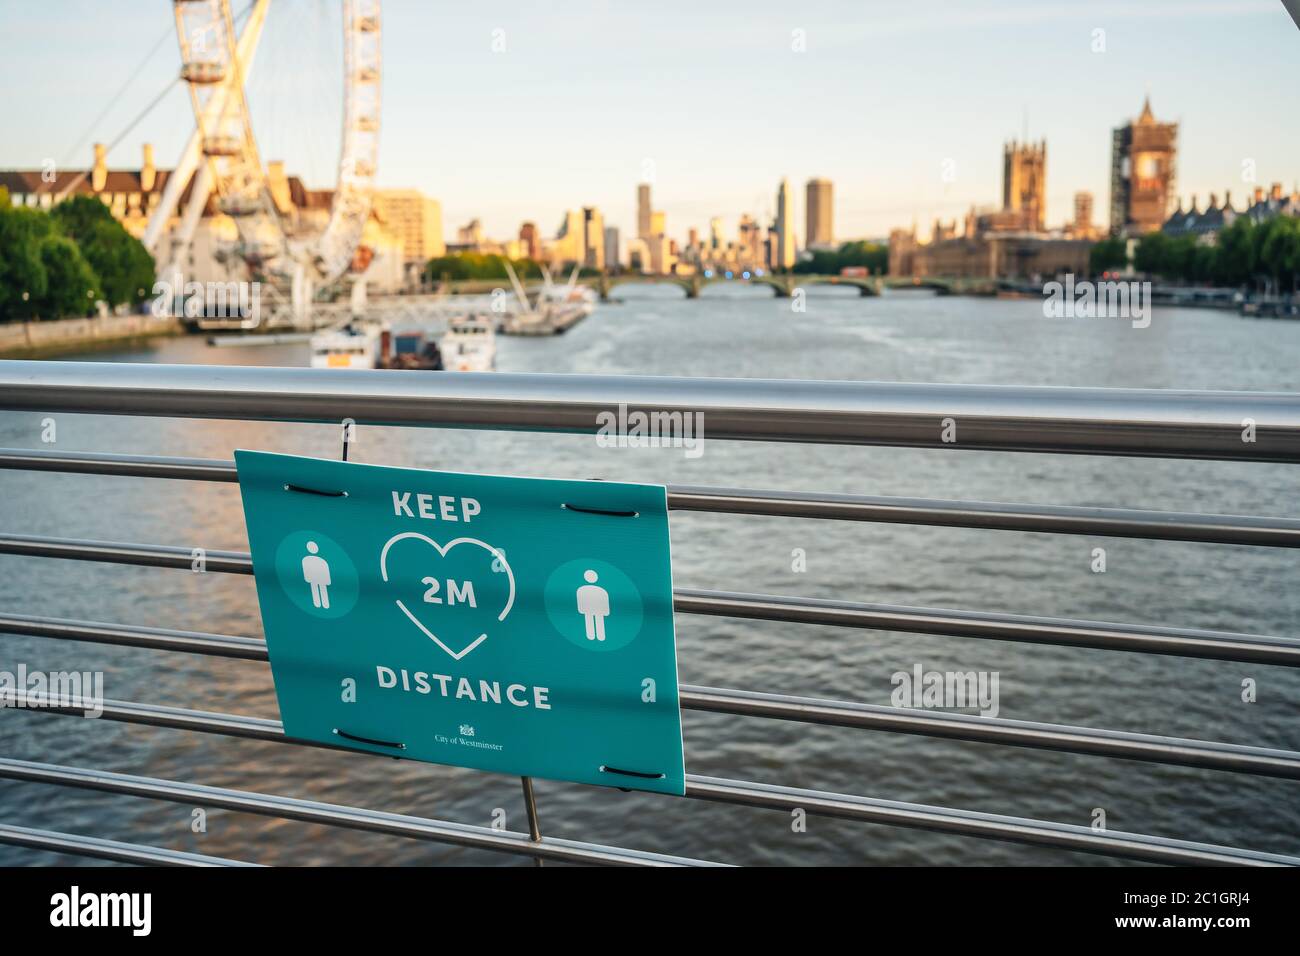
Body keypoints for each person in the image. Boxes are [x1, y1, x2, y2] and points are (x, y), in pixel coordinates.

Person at [576, 569, 610, 641]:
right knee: (593, 622)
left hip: (594, 611)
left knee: (592, 622)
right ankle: (597, 636)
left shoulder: (581, 589)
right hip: (594, 611)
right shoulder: (601, 590)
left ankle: (595, 636)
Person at [302, 541, 332, 609]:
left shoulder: (320, 560)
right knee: (315, 590)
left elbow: (326, 569)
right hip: (314, 579)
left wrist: (327, 581)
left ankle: (324, 604)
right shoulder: (306, 559)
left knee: (322, 590)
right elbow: (306, 569)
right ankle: (318, 604)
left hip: (321, 579)